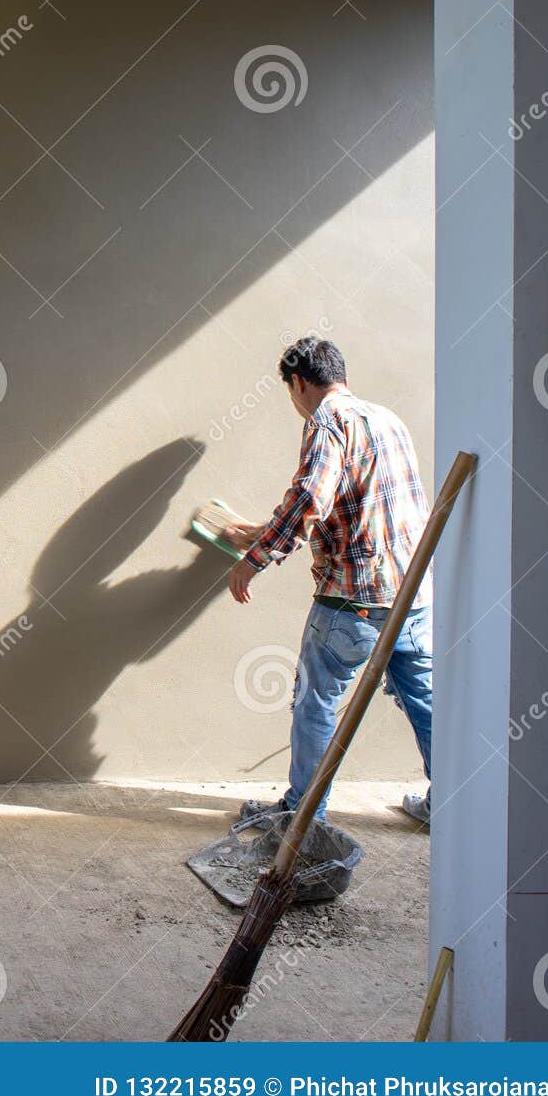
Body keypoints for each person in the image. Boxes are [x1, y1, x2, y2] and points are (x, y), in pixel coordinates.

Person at [223, 336, 434, 825]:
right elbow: (356, 504)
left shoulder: (326, 423)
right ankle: (453, 802)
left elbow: (309, 502)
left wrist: (253, 559)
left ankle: (303, 814)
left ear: (299, 383)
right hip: (413, 595)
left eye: (291, 392)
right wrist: (260, 529)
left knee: (316, 703)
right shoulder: (387, 419)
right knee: (424, 700)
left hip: (353, 599)